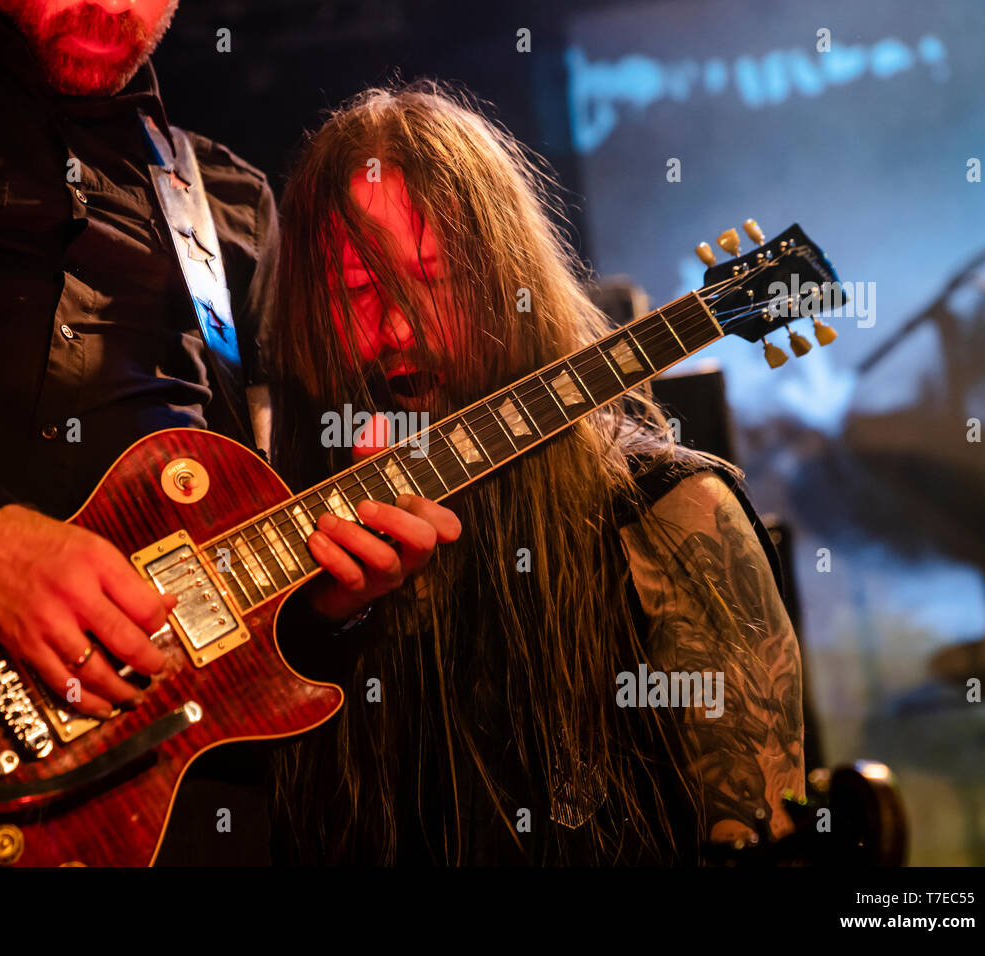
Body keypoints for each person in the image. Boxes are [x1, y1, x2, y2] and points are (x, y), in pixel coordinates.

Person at [0, 0, 456, 864]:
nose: (110, 4)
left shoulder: (233, 202)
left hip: (141, 789)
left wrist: (328, 603)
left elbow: (259, 521)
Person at [264, 82, 806, 865]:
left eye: (435, 277)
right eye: (356, 291)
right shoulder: (298, 556)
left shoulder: (669, 511)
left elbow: (761, 834)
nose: (397, 328)